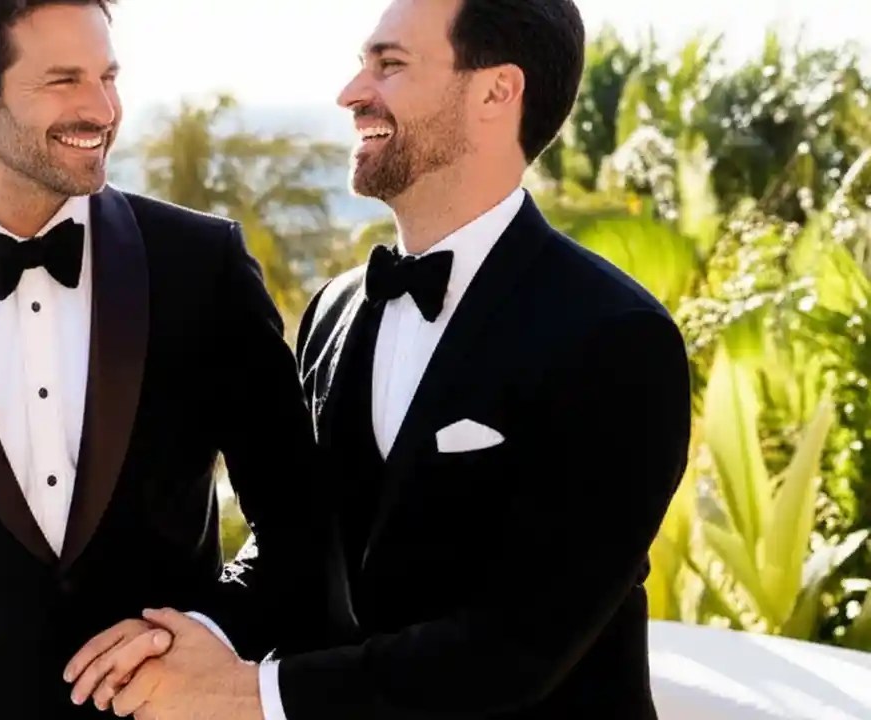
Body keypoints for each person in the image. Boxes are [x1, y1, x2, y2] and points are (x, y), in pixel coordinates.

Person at [69, 0, 693, 718]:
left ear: (497, 92)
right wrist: (194, 635)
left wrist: (249, 693)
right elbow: (300, 549)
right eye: (361, 64)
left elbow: (516, 647)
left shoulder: (616, 338)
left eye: (389, 64)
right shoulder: (333, 312)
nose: (351, 93)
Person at [0, 1, 347, 718]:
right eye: (64, 80)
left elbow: (302, 527)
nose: (102, 108)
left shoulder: (202, 266)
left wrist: (212, 629)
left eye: (108, 75)